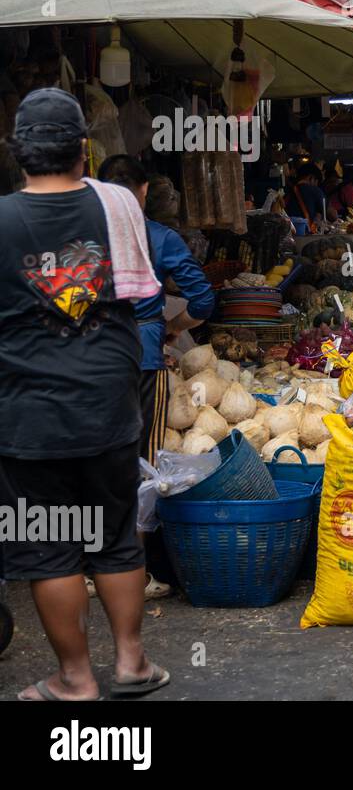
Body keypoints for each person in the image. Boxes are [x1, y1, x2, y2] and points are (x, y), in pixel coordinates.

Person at [0, 88, 169, 700]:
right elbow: (141, 292)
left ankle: (75, 680)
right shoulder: (117, 206)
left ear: (19, 152)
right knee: (114, 535)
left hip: (29, 414)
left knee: (50, 549)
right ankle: (132, 664)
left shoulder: (3, 220)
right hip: (107, 401)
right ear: (83, 150)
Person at [97, 155, 216, 465]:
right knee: (142, 456)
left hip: (89, 354)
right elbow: (203, 300)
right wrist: (173, 326)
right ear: (145, 189)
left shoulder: (79, 236)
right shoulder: (163, 238)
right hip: (143, 354)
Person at [285, 162, 327, 232]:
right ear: (311, 178)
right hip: (305, 234)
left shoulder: (288, 190)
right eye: (316, 182)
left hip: (288, 233)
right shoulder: (314, 190)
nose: (316, 185)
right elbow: (332, 215)